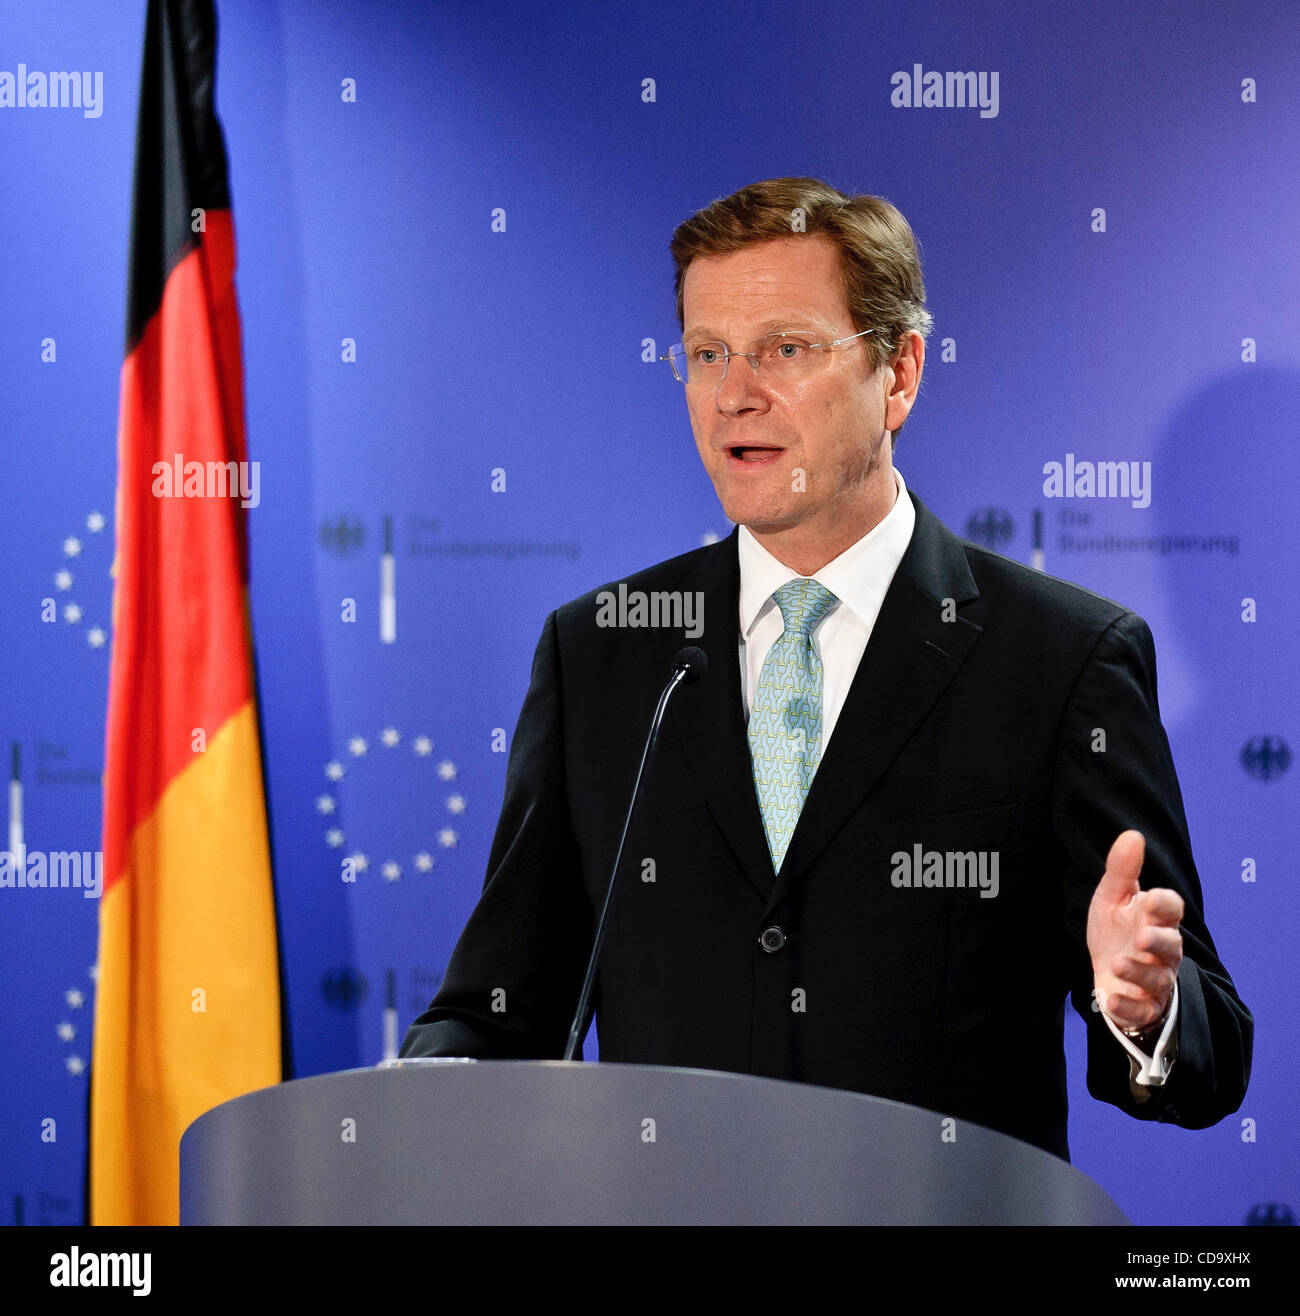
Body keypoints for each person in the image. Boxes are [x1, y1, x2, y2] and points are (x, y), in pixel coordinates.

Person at [400, 177, 1251, 1160]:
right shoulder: (603, 652)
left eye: (786, 349)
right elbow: (503, 1007)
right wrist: (424, 1093)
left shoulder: (1060, 660)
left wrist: (1143, 1003)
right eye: (707, 353)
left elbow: (1210, 1053)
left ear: (898, 375)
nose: (734, 393)